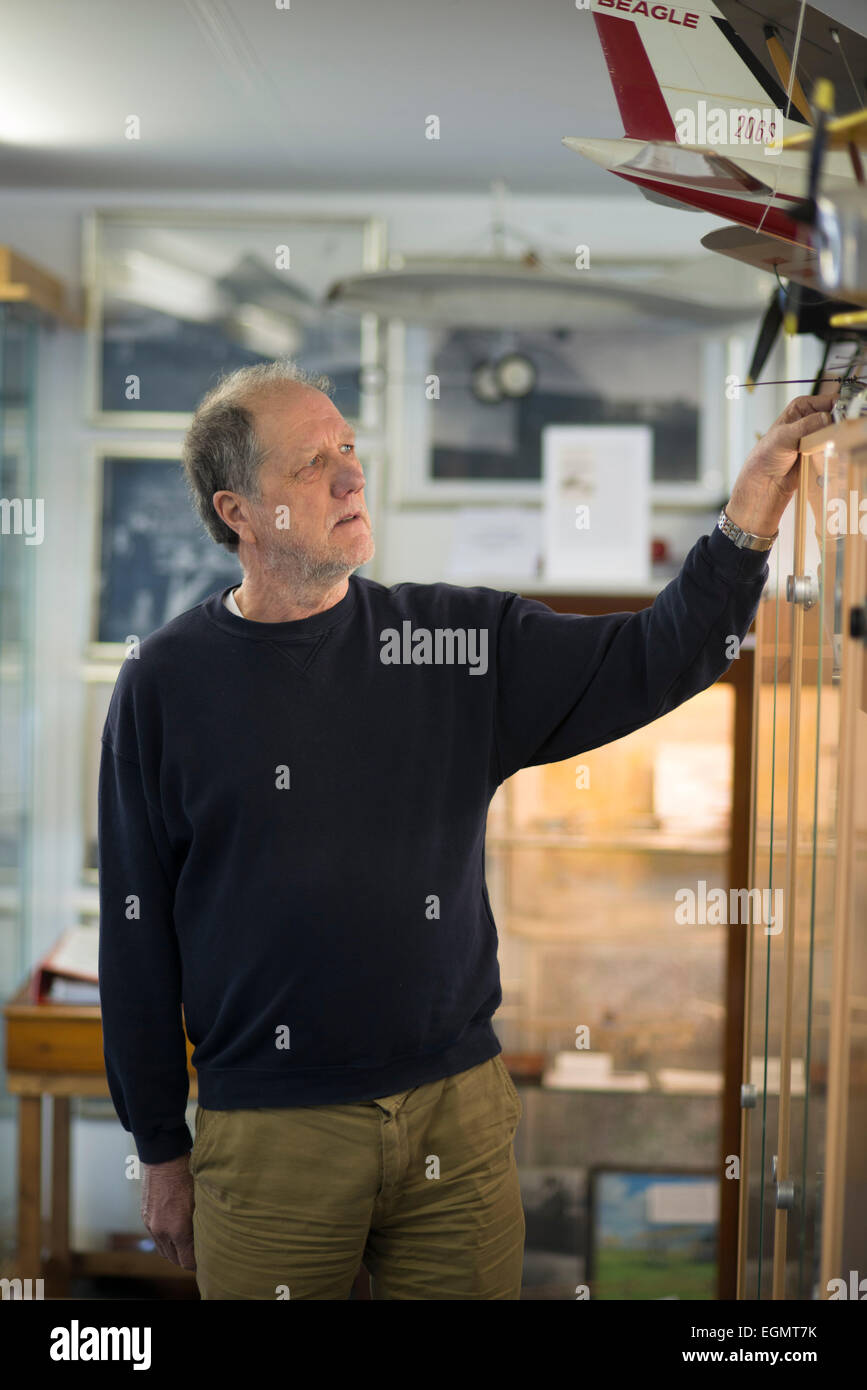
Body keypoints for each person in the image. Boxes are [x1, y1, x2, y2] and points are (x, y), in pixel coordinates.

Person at [97, 360, 835, 1299]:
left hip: (458, 1114)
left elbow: (660, 652)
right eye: (310, 463)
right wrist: (160, 1147)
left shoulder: (450, 643)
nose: (350, 476)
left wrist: (750, 510)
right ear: (237, 511)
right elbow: (135, 931)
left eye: (349, 449)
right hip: (273, 1133)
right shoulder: (163, 683)